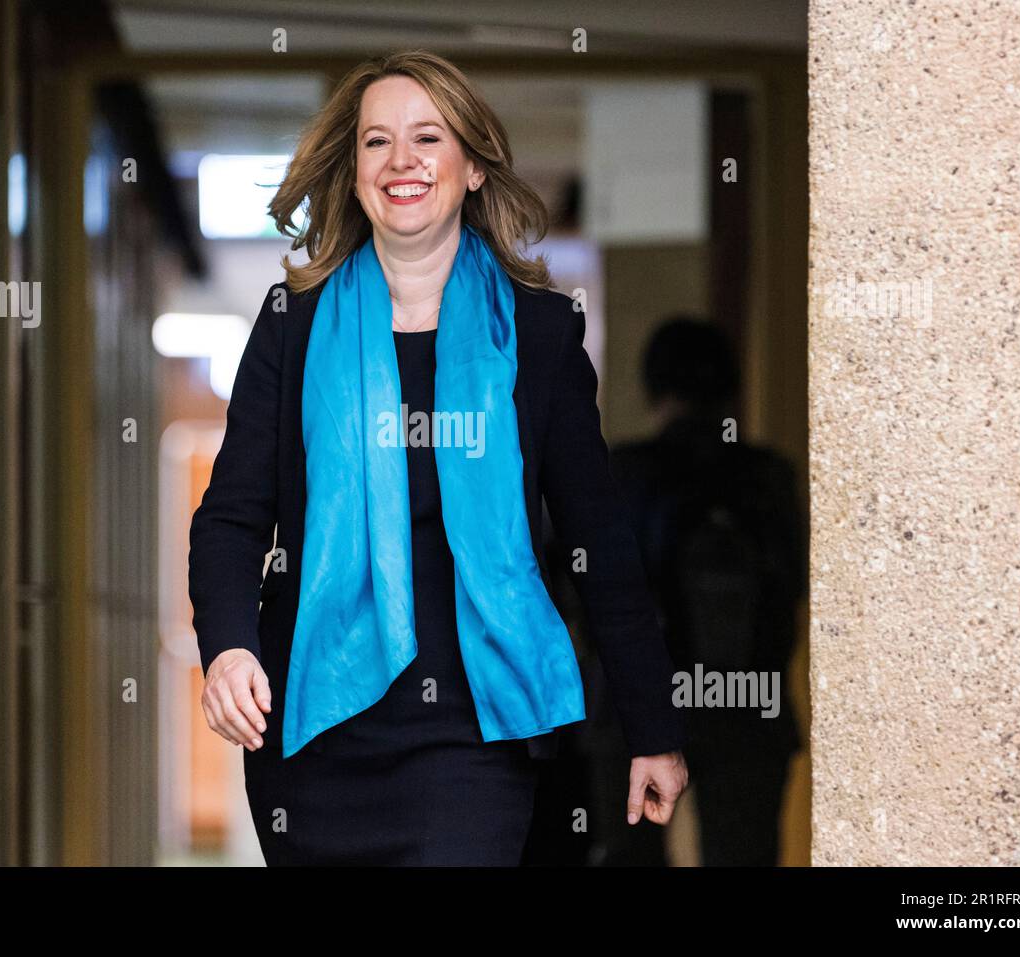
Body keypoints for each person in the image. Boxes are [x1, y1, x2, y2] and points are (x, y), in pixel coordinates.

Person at [188, 50, 688, 866]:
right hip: (314, 732)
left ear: (474, 168)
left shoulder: (538, 335)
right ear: (352, 175)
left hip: (473, 732)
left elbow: (600, 543)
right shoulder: (294, 324)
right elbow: (232, 516)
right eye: (376, 143)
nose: (402, 161)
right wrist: (229, 645)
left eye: (429, 136)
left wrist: (653, 727)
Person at [609, 317, 806, 866]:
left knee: (631, 858)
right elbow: (792, 587)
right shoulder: (769, 478)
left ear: (652, 390)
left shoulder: (624, 476)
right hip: (750, 707)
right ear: (731, 390)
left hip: (639, 709)